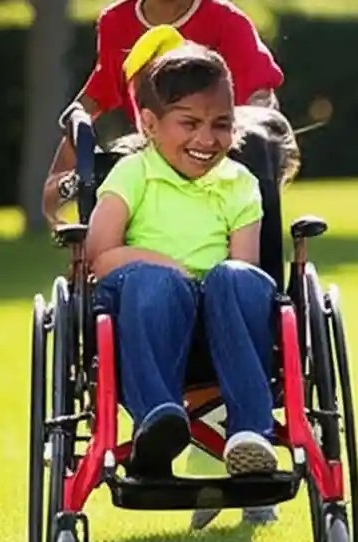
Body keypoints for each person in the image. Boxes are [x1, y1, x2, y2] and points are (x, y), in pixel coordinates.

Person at [86, 44, 280, 496]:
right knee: (156, 283)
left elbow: (244, 265)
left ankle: (249, 433)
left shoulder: (239, 184)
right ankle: (159, 422)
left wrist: (207, 285)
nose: (207, 139)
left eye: (221, 124)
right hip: (142, 301)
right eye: (189, 123)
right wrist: (169, 268)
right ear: (149, 125)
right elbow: (100, 255)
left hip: (220, 309)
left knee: (237, 279)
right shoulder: (133, 174)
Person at [44, 0, 284, 228]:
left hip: (217, 154)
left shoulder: (227, 21)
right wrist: (59, 178)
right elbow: (98, 93)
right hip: (151, 149)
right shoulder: (116, 21)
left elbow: (259, 96)